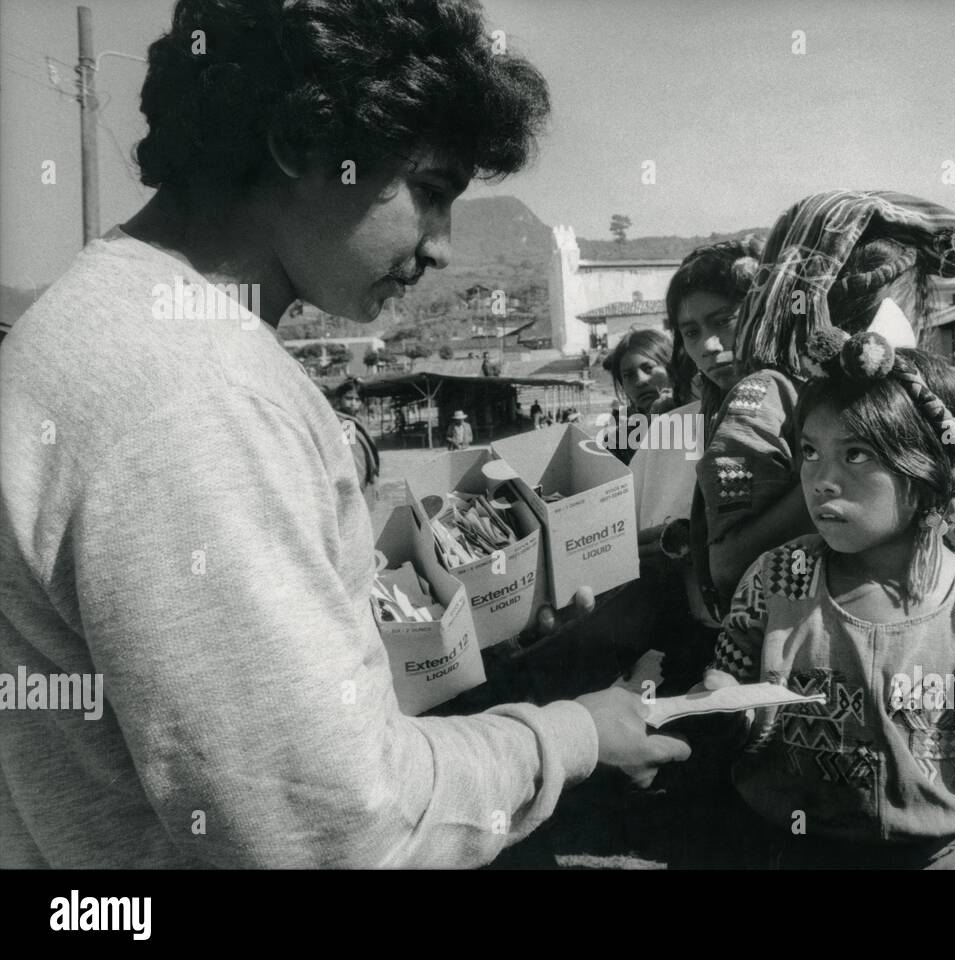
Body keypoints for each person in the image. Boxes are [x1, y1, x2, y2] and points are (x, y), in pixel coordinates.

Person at [0, 0, 685, 869]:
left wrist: (464, 654)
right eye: (431, 193)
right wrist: (572, 735)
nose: (442, 247)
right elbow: (334, 828)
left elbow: (249, 725)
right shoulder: (194, 389)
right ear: (304, 138)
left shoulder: (120, 327)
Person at [697, 331, 955, 869]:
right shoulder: (776, 582)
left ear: (932, 470)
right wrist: (717, 707)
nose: (820, 481)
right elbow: (725, 717)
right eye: (811, 451)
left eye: (856, 454)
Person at [693, 191, 955, 617]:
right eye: (915, 300)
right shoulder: (768, 396)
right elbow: (726, 568)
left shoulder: (919, 393)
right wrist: (839, 460)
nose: (920, 318)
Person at [600, 328, 674, 464]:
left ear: (671, 368)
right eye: (628, 375)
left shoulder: (702, 417)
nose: (640, 381)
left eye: (648, 368)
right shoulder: (618, 444)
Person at [333, 377, 381, 509]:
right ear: (339, 399)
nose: (353, 403)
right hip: (357, 484)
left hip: (365, 482)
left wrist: (374, 478)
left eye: (357, 399)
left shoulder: (356, 420)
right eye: (349, 398)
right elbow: (352, 457)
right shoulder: (345, 423)